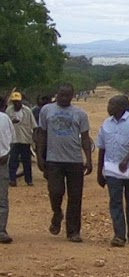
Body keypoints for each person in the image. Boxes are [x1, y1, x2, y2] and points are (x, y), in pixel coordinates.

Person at [35, 83, 92, 243]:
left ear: (72, 96)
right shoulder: (47, 110)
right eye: (62, 95)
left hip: (74, 160)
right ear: (57, 94)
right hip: (54, 160)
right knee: (55, 191)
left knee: (75, 197)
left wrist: (89, 159)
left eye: (68, 95)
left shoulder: (80, 114)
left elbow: (85, 138)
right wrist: (40, 156)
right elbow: (41, 134)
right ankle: (57, 213)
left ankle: (73, 231)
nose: (64, 98)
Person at [96, 95, 129, 247]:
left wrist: (126, 160)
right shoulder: (106, 124)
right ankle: (119, 235)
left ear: (122, 107)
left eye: (112, 104)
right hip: (112, 170)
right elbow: (102, 148)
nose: (108, 107)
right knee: (115, 202)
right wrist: (100, 171)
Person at [8, 91, 36, 186]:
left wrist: (35, 138)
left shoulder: (27, 111)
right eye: (14, 101)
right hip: (13, 140)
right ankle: (12, 179)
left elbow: (34, 125)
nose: (16, 103)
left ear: (21, 101)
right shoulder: (9, 111)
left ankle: (29, 180)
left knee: (26, 161)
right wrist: (12, 122)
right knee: (13, 161)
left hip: (25, 139)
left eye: (18, 101)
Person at [0, 106, 11, 242]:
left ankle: (1, 230)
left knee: (2, 198)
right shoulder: (5, 118)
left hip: (1, 161)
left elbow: (10, 139)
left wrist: (6, 153)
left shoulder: (4, 118)